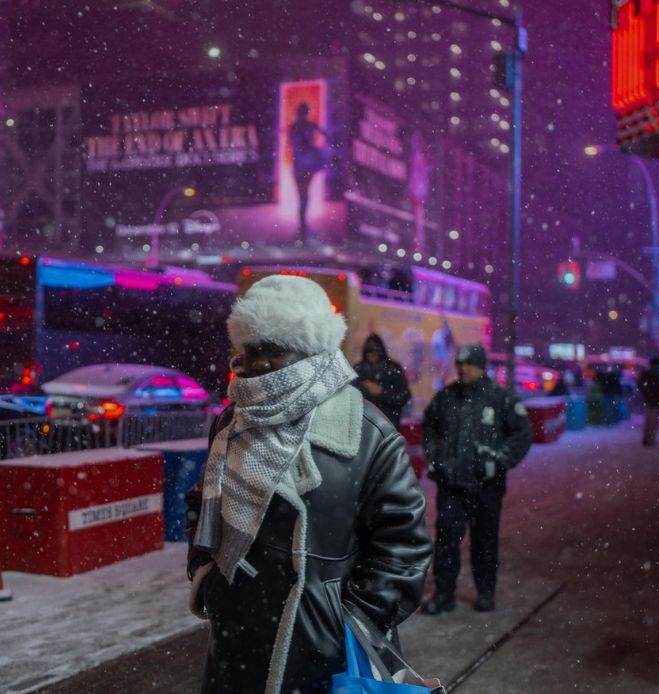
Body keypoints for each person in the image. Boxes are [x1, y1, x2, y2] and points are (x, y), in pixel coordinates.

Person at [185, 274, 432, 693]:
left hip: (325, 648)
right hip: (237, 638)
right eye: (250, 350)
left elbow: (402, 546)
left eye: (272, 351)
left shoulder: (366, 430)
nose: (255, 365)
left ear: (308, 352)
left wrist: (349, 617)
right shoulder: (231, 421)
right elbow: (202, 502)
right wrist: (207, 576)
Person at [421, 343, 532, 614]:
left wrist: (499, 462)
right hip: (452, 485)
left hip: (487, 487)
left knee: (484, 541)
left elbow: (522, 435)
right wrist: (436, 459)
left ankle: (486, 593)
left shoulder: (500, 398)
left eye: (468, 364)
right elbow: (428, 427)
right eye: (459, 364)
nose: (462, 368)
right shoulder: (446, 397)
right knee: (447, 541)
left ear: (482, 366)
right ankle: (444, 594)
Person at [353, 333, 412, 427]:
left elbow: (403, 397)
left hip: (387, 424)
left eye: (375, 352)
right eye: (369, 352)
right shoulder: (359, 369)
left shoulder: (393, 369)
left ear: (380, 352)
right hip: (363, 424)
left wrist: (381, 392)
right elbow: (351, 396)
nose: (372, 356)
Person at [288, 102, 326, 244]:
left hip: (303, 165)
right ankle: (303, 230)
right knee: (304, 198)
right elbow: (297, 144)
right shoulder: (302, 127)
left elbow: (294, 144)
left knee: (303, 197)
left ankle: (303, 230)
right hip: (304, 165)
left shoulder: (298, 127)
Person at [638, 356, 659, 446]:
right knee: (654, 420)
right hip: (658, 399)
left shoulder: (646, 372)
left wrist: (645, 393)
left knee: (648, 418)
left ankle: (646, 436)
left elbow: (640, 384)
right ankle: (651, 438)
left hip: (648, 398)